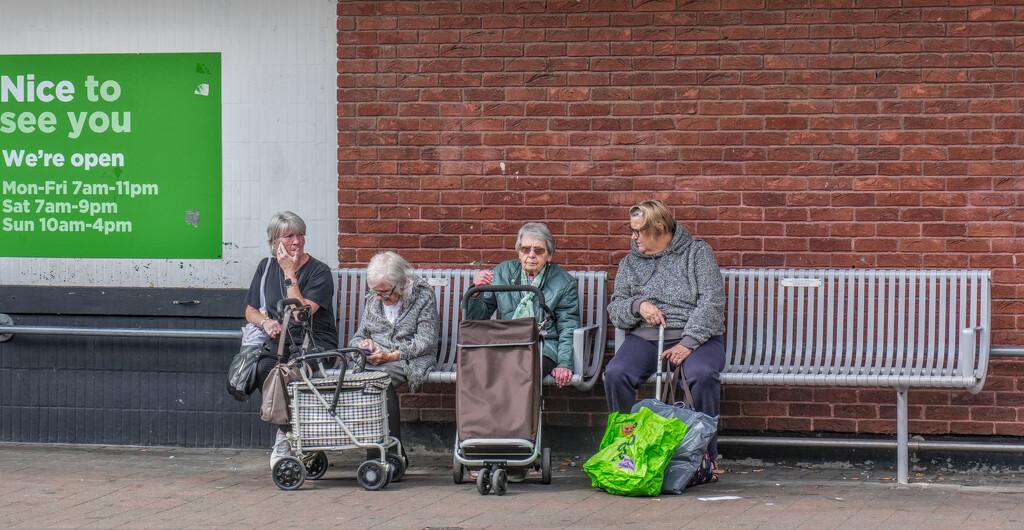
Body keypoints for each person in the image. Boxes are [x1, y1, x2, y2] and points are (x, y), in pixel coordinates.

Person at [604, 199, 726, 467]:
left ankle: (706, 454)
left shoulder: (697, 253)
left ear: (659, 227)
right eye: (632, 230)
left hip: (698, 338)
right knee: (616, 374)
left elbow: (712, 302)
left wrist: (689, 342)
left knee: (702, 375)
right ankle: (625, 447)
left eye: (638, 231)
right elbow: (617, 308)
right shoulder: (630, 263)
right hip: (648, 337)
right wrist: (639, 306)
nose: (633, 237)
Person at [244, 211, 338, 466]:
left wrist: (289, 273)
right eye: (290, 236)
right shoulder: (265, 267)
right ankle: (291, 430)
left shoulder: (319, 271)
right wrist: (266, 322)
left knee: (292, 371)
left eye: (301, 234)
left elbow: (301, 315)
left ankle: (285, 436)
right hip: (282, 340)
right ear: (275, 242)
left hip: (316, 342)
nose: (297, 241)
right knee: (264, 367)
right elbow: (250, 310)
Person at [350, 251, 440, 465]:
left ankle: (387, 453)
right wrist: (365, 345)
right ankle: (383, 452)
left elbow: (426, 340)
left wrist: (392, 355)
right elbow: (359, 337)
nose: (380, 298)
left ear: (400, 284)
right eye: (376, 293)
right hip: (376, 360)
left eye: (385, 293)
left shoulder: (423, 295)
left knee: (380, 379)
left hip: (411, 357)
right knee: (366, 377)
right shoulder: (375, 296)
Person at [467, 222, 581, 388]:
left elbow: (568, 326)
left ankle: (514, 413)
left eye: (539, 250)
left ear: (549, 255)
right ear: (519, 253)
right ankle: (490, 414)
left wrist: (564, 363)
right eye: (525, 249)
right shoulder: (502, 272)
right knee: (479, 367)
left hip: (544, 346)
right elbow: (475, 319)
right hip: (505, 342)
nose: (531, 255)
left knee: (519, 370)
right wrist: (477, 292)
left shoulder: (563, 282)